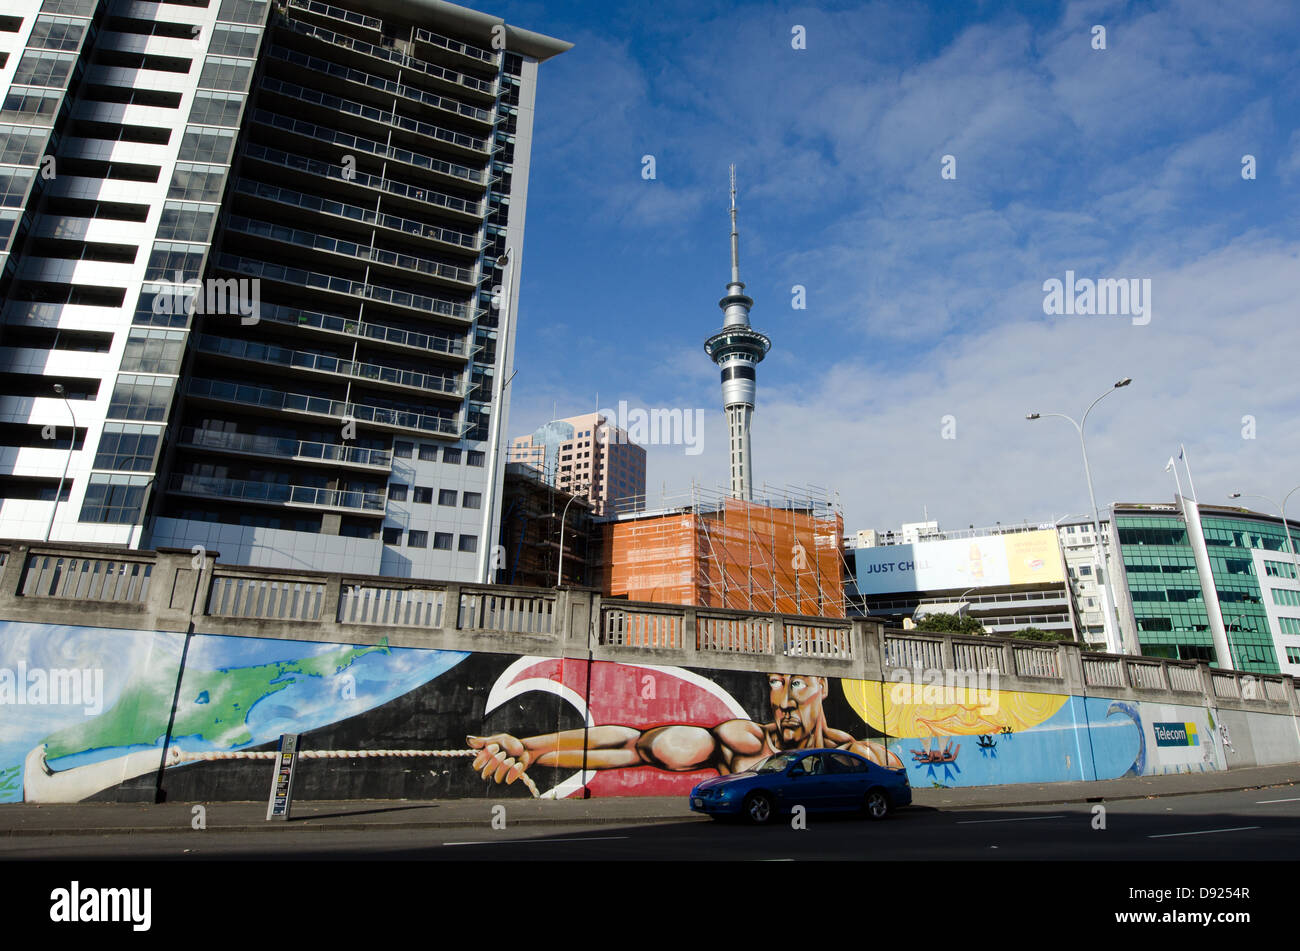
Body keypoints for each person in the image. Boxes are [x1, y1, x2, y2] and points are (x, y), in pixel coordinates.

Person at [467, 672, 903, 787]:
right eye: (775, 683)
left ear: (823, 688)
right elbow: (631, 745)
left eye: (797, 685)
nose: (784, 700)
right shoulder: (742, 742)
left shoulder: (867, 757)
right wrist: (533, 748)